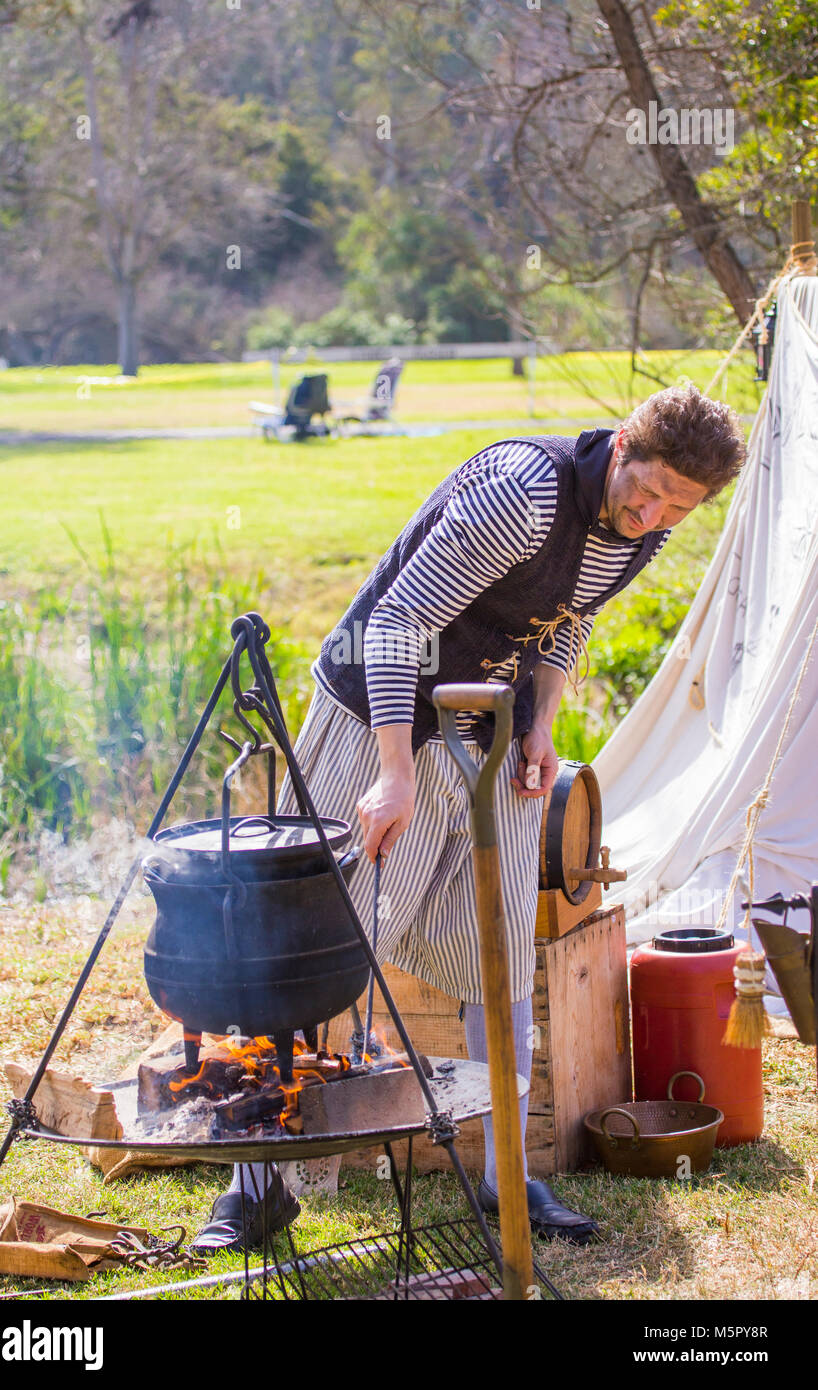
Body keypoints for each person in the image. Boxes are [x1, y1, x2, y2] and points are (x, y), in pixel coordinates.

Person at [191, 383, 745, 1254]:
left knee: (500, 954)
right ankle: (255, 1187)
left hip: (487, 726)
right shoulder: (524, 496)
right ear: (624, 445)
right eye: (649, 489)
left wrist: (542, 722)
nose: (655, 514)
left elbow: (568, 620)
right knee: (326, 939)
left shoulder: (651, 521)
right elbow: (395, 623)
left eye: (681, 505)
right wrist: (394, 772)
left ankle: (504, 1178)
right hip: (383, 712)